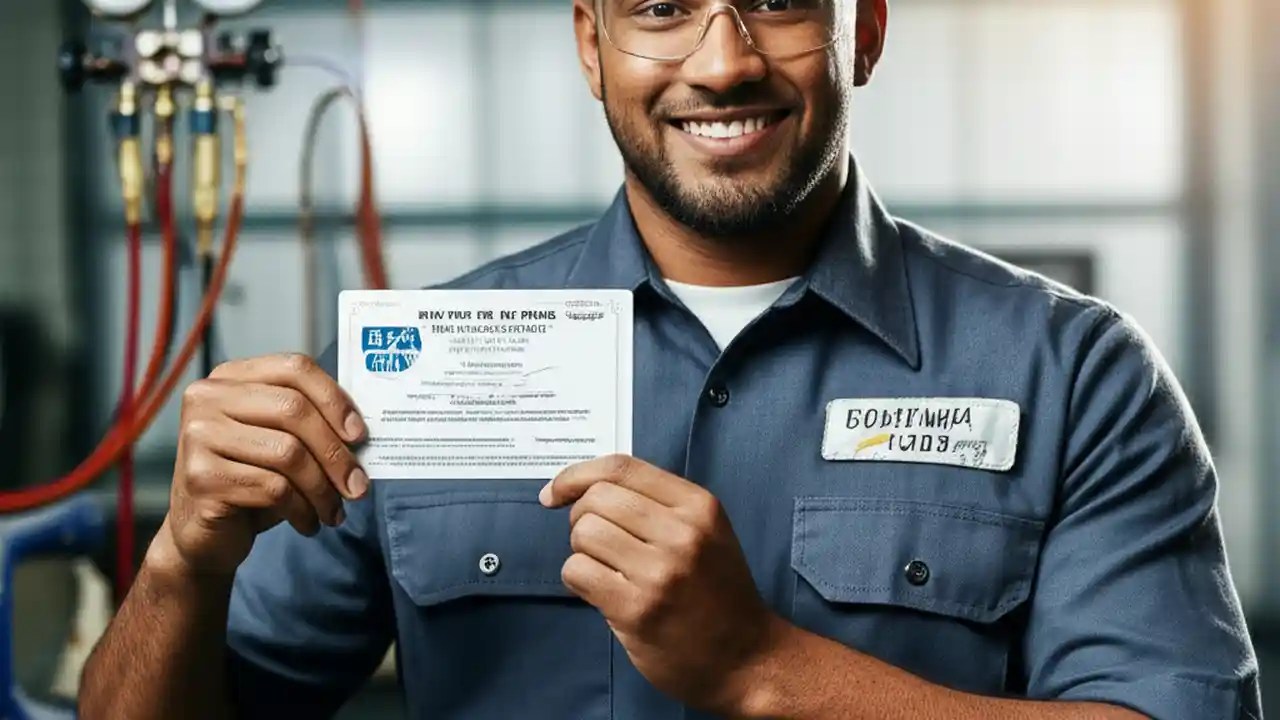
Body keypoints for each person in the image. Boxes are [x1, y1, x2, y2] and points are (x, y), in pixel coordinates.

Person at [79, 0, 1263, 718]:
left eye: (777, 3)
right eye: (656, 7)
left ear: (866, 30)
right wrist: (186, 564)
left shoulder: (1072, 375)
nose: (721, 59)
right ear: (589, 44)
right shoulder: (402, 376)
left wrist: (761, 669)